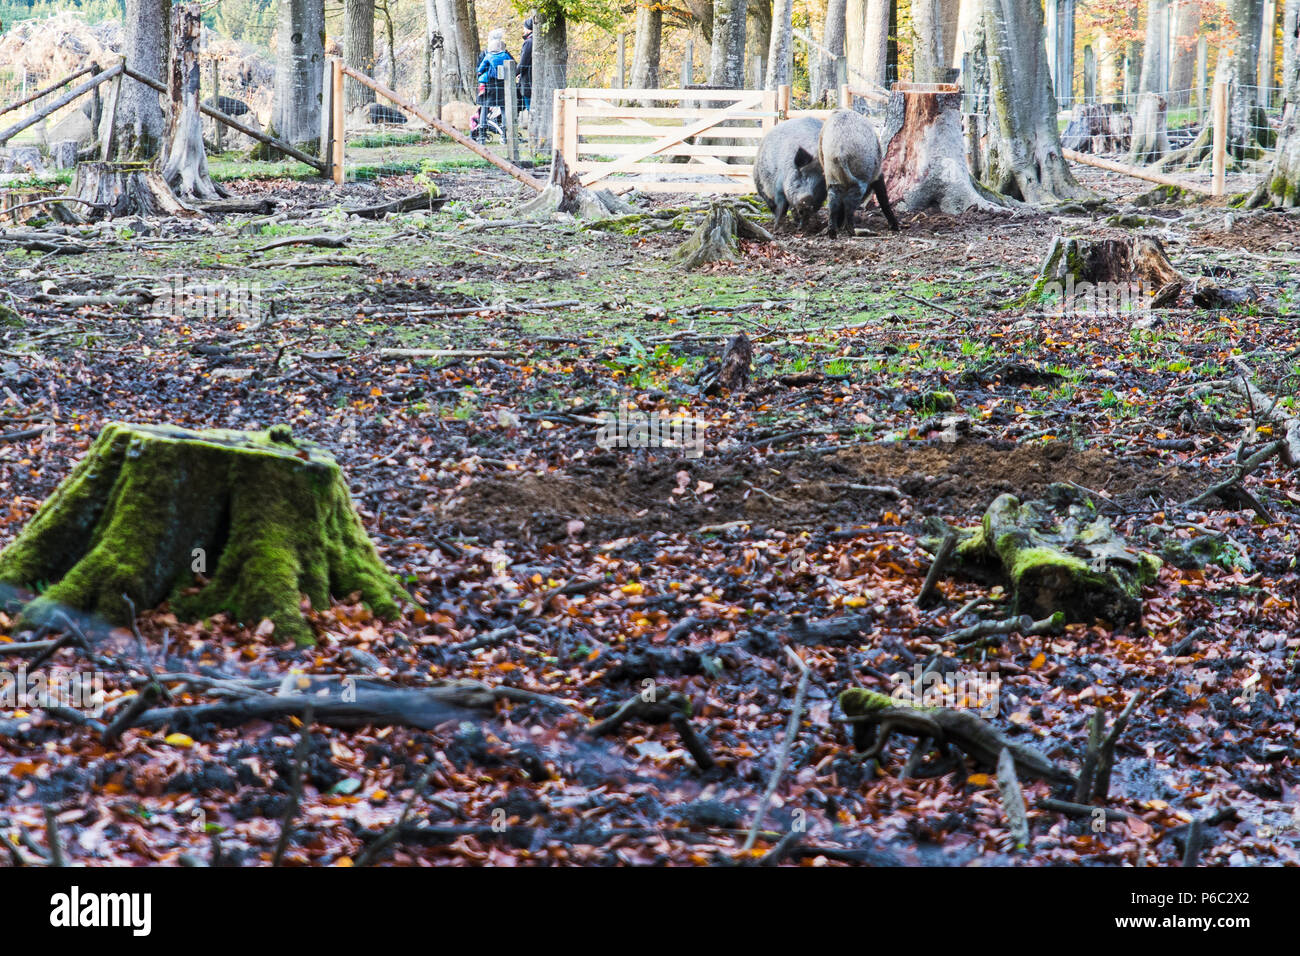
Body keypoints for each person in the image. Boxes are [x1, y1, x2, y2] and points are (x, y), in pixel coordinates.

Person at [518, 18, 533, 112]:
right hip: (531, 79)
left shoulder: (528, 42)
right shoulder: (537, 40)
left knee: (530, 108)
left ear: (528, 29)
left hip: (528, 80)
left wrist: (513, 73)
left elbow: (523, 63)